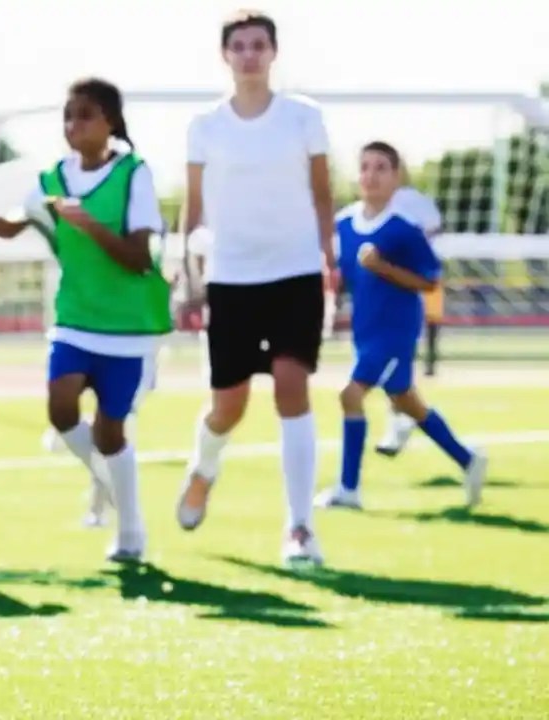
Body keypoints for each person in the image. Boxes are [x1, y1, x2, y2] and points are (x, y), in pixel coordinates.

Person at [0, 77, 170, 562]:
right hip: (75, 318)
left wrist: (89, 225)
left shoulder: (134, 174)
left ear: (110, 122)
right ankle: (106, 484)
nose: (73, 125)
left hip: (128, 327)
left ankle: (130, 531)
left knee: (110, 432)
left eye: (85, 115)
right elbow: (6, 227)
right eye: (68, 115)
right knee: (60, 407)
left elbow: (139, 258)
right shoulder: (51, 179)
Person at [175, 11, 336, 566]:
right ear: (226, 55)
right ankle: (204, 468)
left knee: (293, 386)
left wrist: (329, 262)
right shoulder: (205, 126)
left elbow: (322, 195)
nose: (249, 55)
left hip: (296, 273)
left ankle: (300, 527)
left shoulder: (303, 118)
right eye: (239, 46)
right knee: (229, 405)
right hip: (232, 277)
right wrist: (186, 277)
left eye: (258, 45)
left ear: (274, 52)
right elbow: (192, 209)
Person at [316, 142, 485, 510]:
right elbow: (338, 275)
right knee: (407, 401)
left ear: (396, 177)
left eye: (380, 167)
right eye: (364, 167)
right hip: (366, 330)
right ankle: (468, 459)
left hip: (397, 331)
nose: (371, 175)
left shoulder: (404, 229)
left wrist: (384, 268)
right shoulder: (344, 224)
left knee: (350, 394)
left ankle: (348, 489)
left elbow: (429, 282)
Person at [371, 183, 445, 456]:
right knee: (388, 365)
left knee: (394, 364)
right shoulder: (377, 205)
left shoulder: (412, 202)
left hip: (408, 286)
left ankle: (400, 421)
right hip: (390, 287)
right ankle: (401, 420)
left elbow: (432, 229)